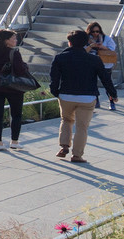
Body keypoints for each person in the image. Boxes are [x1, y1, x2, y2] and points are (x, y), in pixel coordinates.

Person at [50, 30, 118, 167]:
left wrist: (55, 92)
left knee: (66, 120)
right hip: (87, 97)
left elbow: (54, 78)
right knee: (82, 127)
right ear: (86, 43)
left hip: (66, 95)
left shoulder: (60, 58)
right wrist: (113, 94)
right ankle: (77, 155)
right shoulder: (94, 59)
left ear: (69, 42)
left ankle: (64, 147)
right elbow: (105, 78)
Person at [0, 28, 34, 151]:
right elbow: (20, 69)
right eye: (13, 38)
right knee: (16, 114)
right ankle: (14, 141)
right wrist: (25, 65)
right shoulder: (14, 53)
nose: (16, 40)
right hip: (12, 87)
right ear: (6, 41)